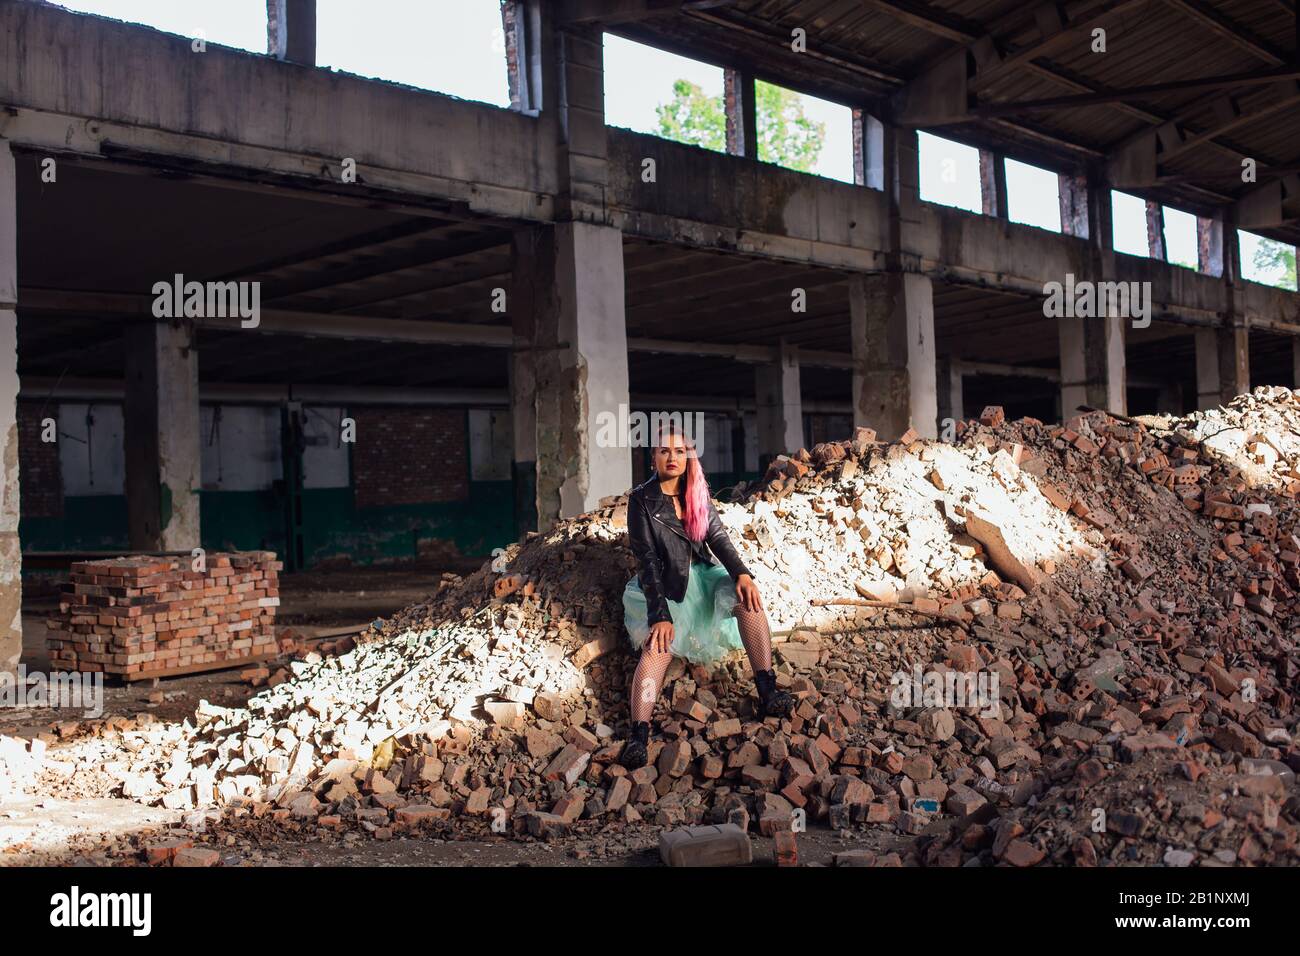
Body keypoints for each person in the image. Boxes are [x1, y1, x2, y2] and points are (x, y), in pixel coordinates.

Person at [619, 424, 794, 769]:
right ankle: (639, 734)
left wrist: (742, 574)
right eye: (664, 451)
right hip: (664, 585)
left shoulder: (696, 490)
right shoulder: (641, 499)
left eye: (680, 451)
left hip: (702, 575)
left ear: (688, 457)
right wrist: (660, 614)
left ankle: (768, 690)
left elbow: (718, 537)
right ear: (653, 456)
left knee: (749, 600)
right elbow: (647, 560)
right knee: (657, 648)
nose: (673, 457)